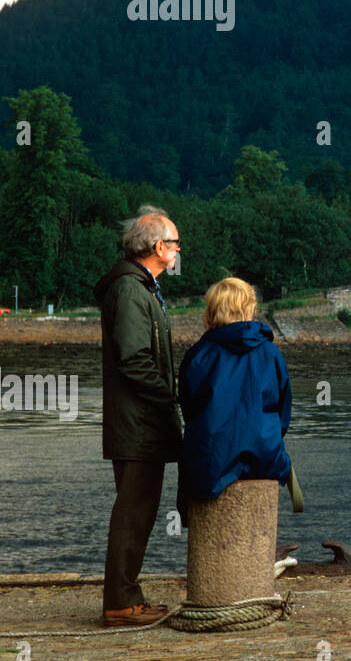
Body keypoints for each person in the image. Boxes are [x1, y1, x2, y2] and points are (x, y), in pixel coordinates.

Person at [94, 205, 183, 627]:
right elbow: (133, 359)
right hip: (138, 422)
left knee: (139, 511)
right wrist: (172, 397)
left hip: (142, 420)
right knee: (133, 512)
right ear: (158, 246)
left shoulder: (138, 286)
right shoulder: (131, 290)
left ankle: (127, 597)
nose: (180, 250)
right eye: (176, 243)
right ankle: (120, 603)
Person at [176, 278, 292, 526]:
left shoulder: (199, 354)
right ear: (249, 308)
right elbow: (283, 411)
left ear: (212, 309)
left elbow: (189, 409)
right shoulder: (271, 352)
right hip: (266, 455)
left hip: (212, 459)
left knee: (194, 447)